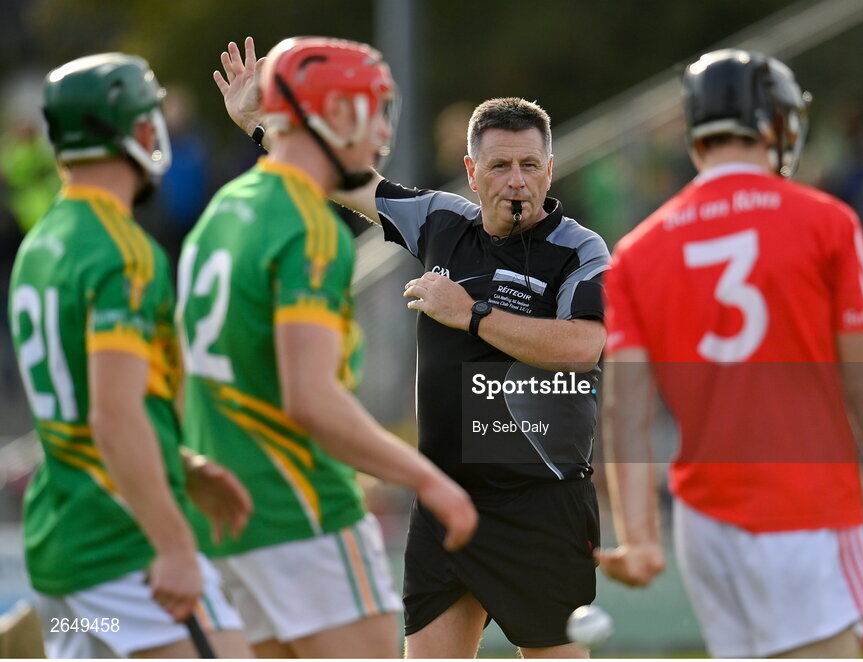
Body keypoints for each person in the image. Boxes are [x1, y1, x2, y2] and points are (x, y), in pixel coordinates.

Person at [216, 37, 609, 658]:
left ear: (550, 171)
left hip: (540, 504)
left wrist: (472, 314)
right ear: (472, 172)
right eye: (501, 166)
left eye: (530, 166)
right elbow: (348, 182)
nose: (517, 181)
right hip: (444, 498)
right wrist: (261, 124)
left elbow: (585, 346)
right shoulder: (440, 220)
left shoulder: (580, 249)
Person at [597, 49, 863, 658]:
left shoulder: (637, 251)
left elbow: (624, 411)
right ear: (773, 123)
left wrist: (639, 536)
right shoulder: (827, 223)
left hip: (704, 525)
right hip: (807, 510)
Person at [183, 37, 478, 658]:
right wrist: (433, 481)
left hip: (231, 521)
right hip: (303, 510)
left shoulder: (225, 210)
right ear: (336, 114)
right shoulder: (306, 225)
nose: (383, 135)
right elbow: (312, 400)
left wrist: (264, 124)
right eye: (374, 110)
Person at [8, 53, 252, 658]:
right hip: (121, 545)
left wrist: (182, 464)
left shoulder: (42, 242)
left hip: (64, 546)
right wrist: (173, 545)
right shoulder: (123, 251)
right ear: (136, 131)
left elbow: (88, 399)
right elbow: (114, 416)